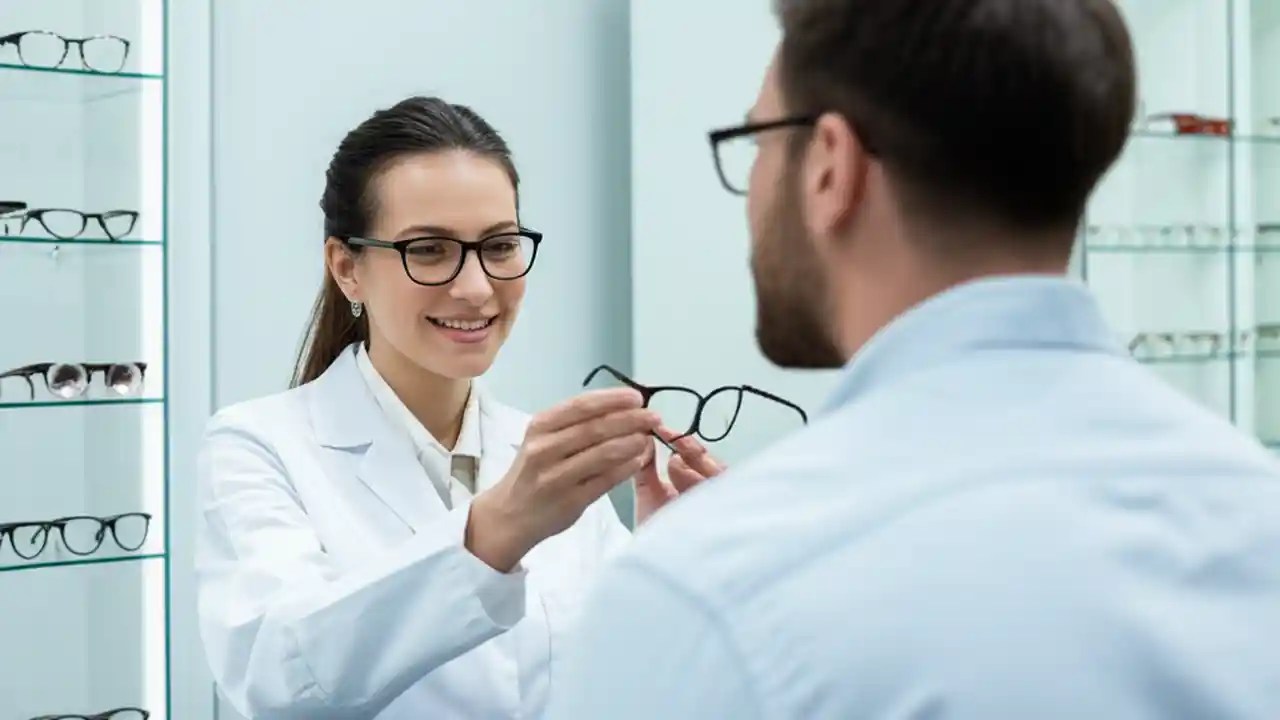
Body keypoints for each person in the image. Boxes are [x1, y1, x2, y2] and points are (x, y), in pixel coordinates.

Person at [549, 1, 1280, 718]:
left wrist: (708, 585)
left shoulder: (698, 600)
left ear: (831, 167)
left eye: (758, 142)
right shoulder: (1257, 515)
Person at [193, 96, 704, 719]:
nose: (476, 288)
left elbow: (625, 683)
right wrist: (492, 536)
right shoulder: (258, 446)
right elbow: (279, 683)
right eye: (429, 250)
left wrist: (671, 568)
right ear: (347, 268)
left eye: (499, 246)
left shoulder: (540, 455)